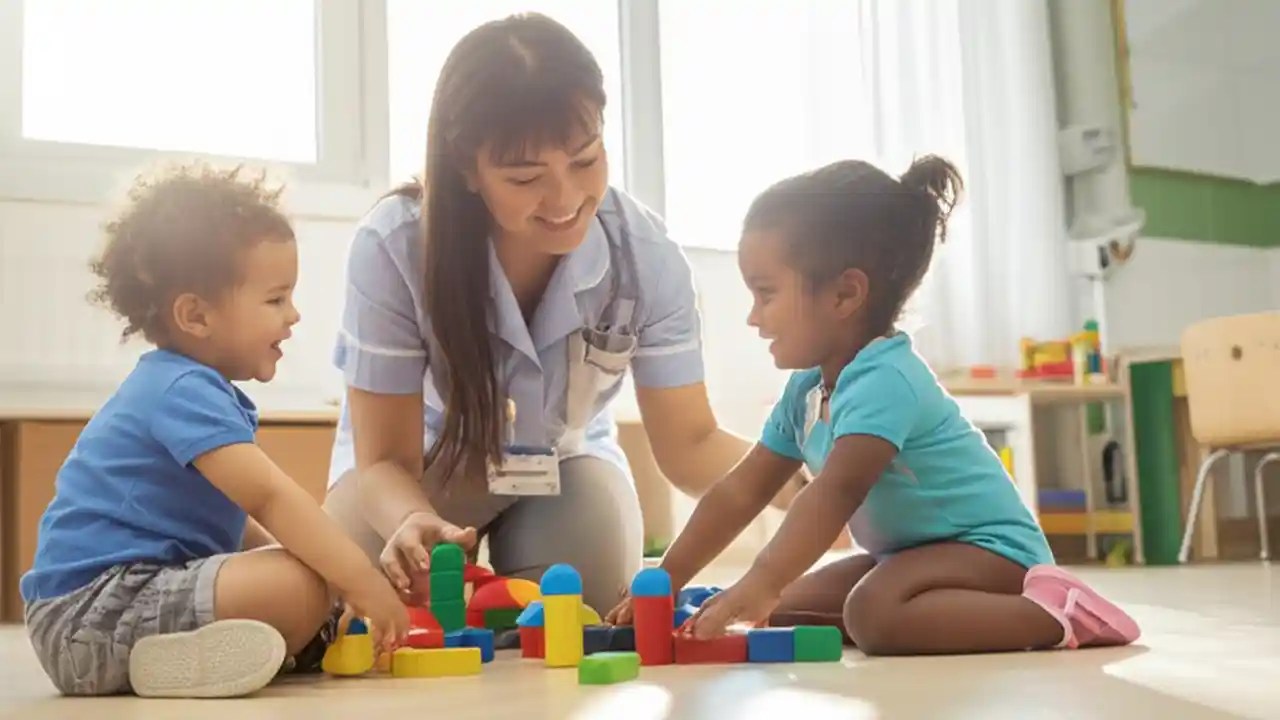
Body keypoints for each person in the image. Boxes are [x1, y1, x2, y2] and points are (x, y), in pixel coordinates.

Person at [323, 12, 799, 614]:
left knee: (582, 604)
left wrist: (803, 482)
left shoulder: (645, 255)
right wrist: (411, 520)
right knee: (350, 600)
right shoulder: (394, 245)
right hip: (420, 468)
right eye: (525, 177)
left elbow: (691, 444)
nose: (566, 198)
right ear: (467, 169)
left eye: (585, 160)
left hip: (564, 464)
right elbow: (385, 463)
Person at [608, 157, 1141, 655]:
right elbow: (740, 491)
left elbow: (835, 492)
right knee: (786, 604)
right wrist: (666, 579)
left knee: (872, 614)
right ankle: (916, 608)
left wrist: (762, 580)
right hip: (908, 556)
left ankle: (1057, 614)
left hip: (990, 552)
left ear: (844, 295)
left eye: (766, 294)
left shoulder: (887, 379)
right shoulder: (807, 389)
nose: (753, 316)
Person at [20, 164, 408, 698]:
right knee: (298, 585)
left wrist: (322, 579)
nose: (293, 316)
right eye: (275, 299)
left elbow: (240, 522)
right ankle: (180, 658)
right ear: (196, 316)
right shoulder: (181, 389)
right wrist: (359, 580)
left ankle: (205, 656)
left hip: (100, 613)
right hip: (92, 613)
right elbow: (270, 498)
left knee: (304, 580)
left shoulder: (188, 388)